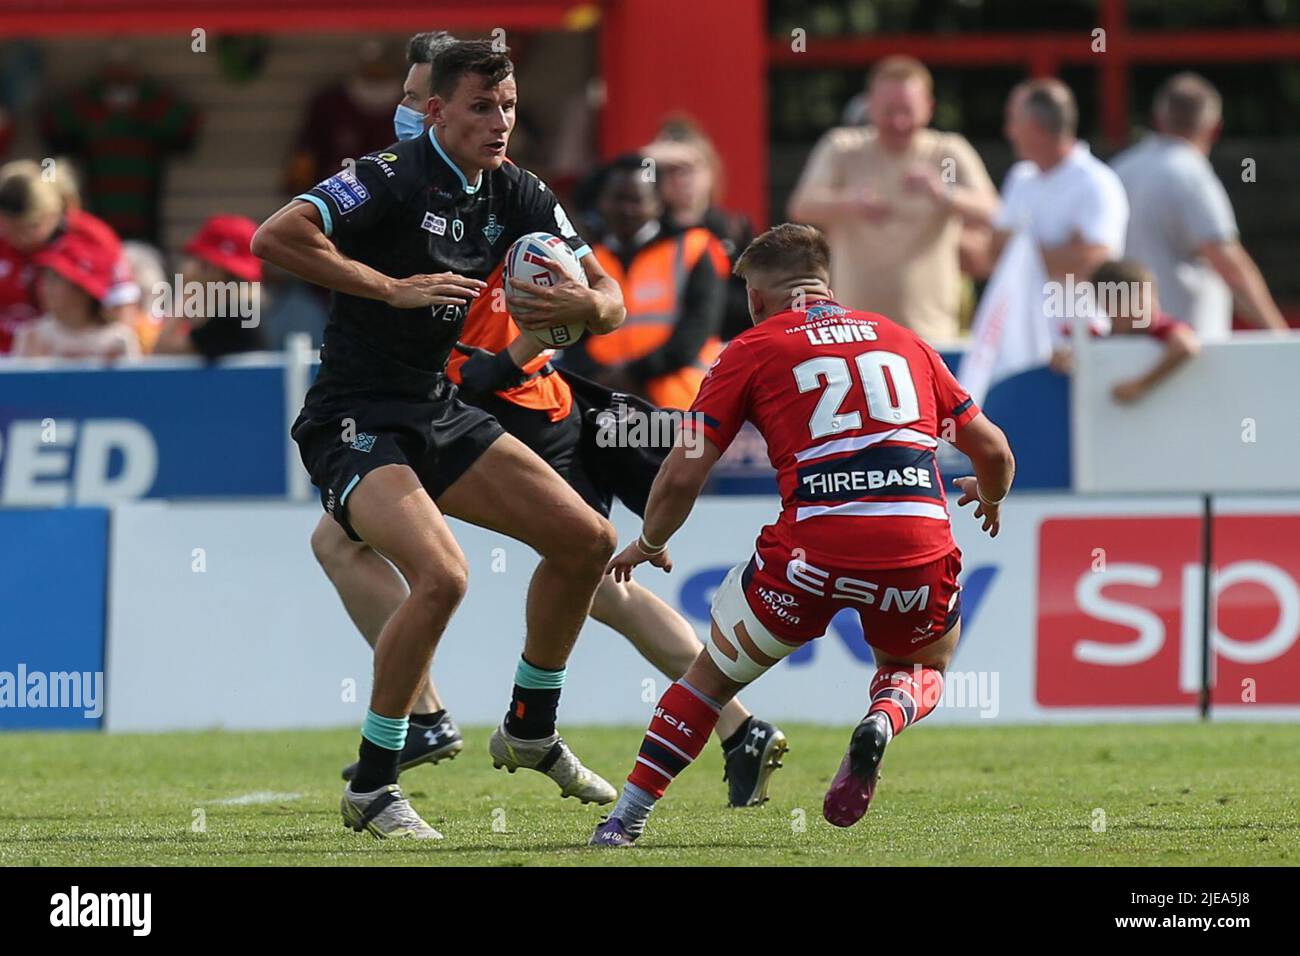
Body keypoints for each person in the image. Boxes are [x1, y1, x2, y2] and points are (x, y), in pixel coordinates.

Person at [310, 36, 788, 809]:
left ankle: (720, 721)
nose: (405, 112)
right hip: (495, 399)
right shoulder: (403, 184)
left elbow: (559, 300)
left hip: (510, 403)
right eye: (405, 98)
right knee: (356, 543)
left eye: (417, 97)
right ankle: (442, 716)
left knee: (589, 576)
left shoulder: (499, 194)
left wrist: (543, 334)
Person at [587, 223, 1016, 847]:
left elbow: (682, 473)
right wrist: (991, 495)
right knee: (919, 664)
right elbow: (994, 450)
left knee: (709, 681)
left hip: (811, 555)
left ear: (756, 298)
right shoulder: (905, 341)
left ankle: (624, 822)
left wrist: (650, 542)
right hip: (915, 546)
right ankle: (883, 718)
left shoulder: (751, 348)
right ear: (825, 284)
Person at [787, 56, 998, 344]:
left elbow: (995, 210)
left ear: (929, 107)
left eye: (907, 111)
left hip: (930, 332)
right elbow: (801, 205)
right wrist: (851, 203)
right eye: (889, 111)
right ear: (870, 106)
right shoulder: (842, 148)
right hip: (854, 332)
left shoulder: (947, 151)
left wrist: (943, 193)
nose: (899, 122)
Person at [1111, 72, 1287, 339]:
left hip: (1124, 340)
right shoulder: (1191, 175)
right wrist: (1280, 337)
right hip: (1187, 343)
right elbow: (1229, 264)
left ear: (1157, 120)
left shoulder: (1120, 169)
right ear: (1214, 128)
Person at [560, 153, 729, 409]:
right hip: (602, 401)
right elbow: (571, 336)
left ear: (657, 203)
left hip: (679, 404)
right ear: (601, 202)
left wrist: (633, 374)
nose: (626, 210)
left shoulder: (694, 247)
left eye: (636, 200)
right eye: (617, 199)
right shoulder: (587, 258)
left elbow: (697, 329)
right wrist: (598, 375)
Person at [988, 79, 1128, 285]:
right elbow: (994, 252)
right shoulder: (1020, 176)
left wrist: (1018, 248)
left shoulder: (1098, 182)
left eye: (1014, 120)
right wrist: (1063, 252)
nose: (1009, 131)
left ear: (1035, 126)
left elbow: (1094, 262)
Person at [0, 159, 126, 353]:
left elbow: (121, 313)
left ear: (53, 214)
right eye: (6, 227)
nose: (15, 237)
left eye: (26, 228)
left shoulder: (91, 238)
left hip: (76, 354)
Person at [642, 128, 754, 341]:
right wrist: (645, 157)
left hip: (726, 347)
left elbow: (757, 300)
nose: (682, 180)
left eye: (690, 168)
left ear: (710, 172)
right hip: (663, 351)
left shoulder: (733, 228)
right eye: (671, 170)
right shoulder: (649, 232)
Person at [1049, 259, 1200, 404]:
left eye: (1153, 299)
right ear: (1109, 306)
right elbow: (1063, 356)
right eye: (1139, 304)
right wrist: (1063, 361)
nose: (1153, 308)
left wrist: (1141, 385)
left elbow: (1185, 346)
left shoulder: (1162, 328)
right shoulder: (1095, 340)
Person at [154, 214, 268, 358]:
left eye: (199, 261)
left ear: (212, 269)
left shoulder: (233, 317)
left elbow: (162, 350)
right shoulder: (242, 310)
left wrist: (187, 293)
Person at [13, 231, 141, 360]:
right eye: (44, 276)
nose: (44, 287)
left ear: (83, 288)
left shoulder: (118, 341)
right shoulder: (32, 337)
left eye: (56, 278)